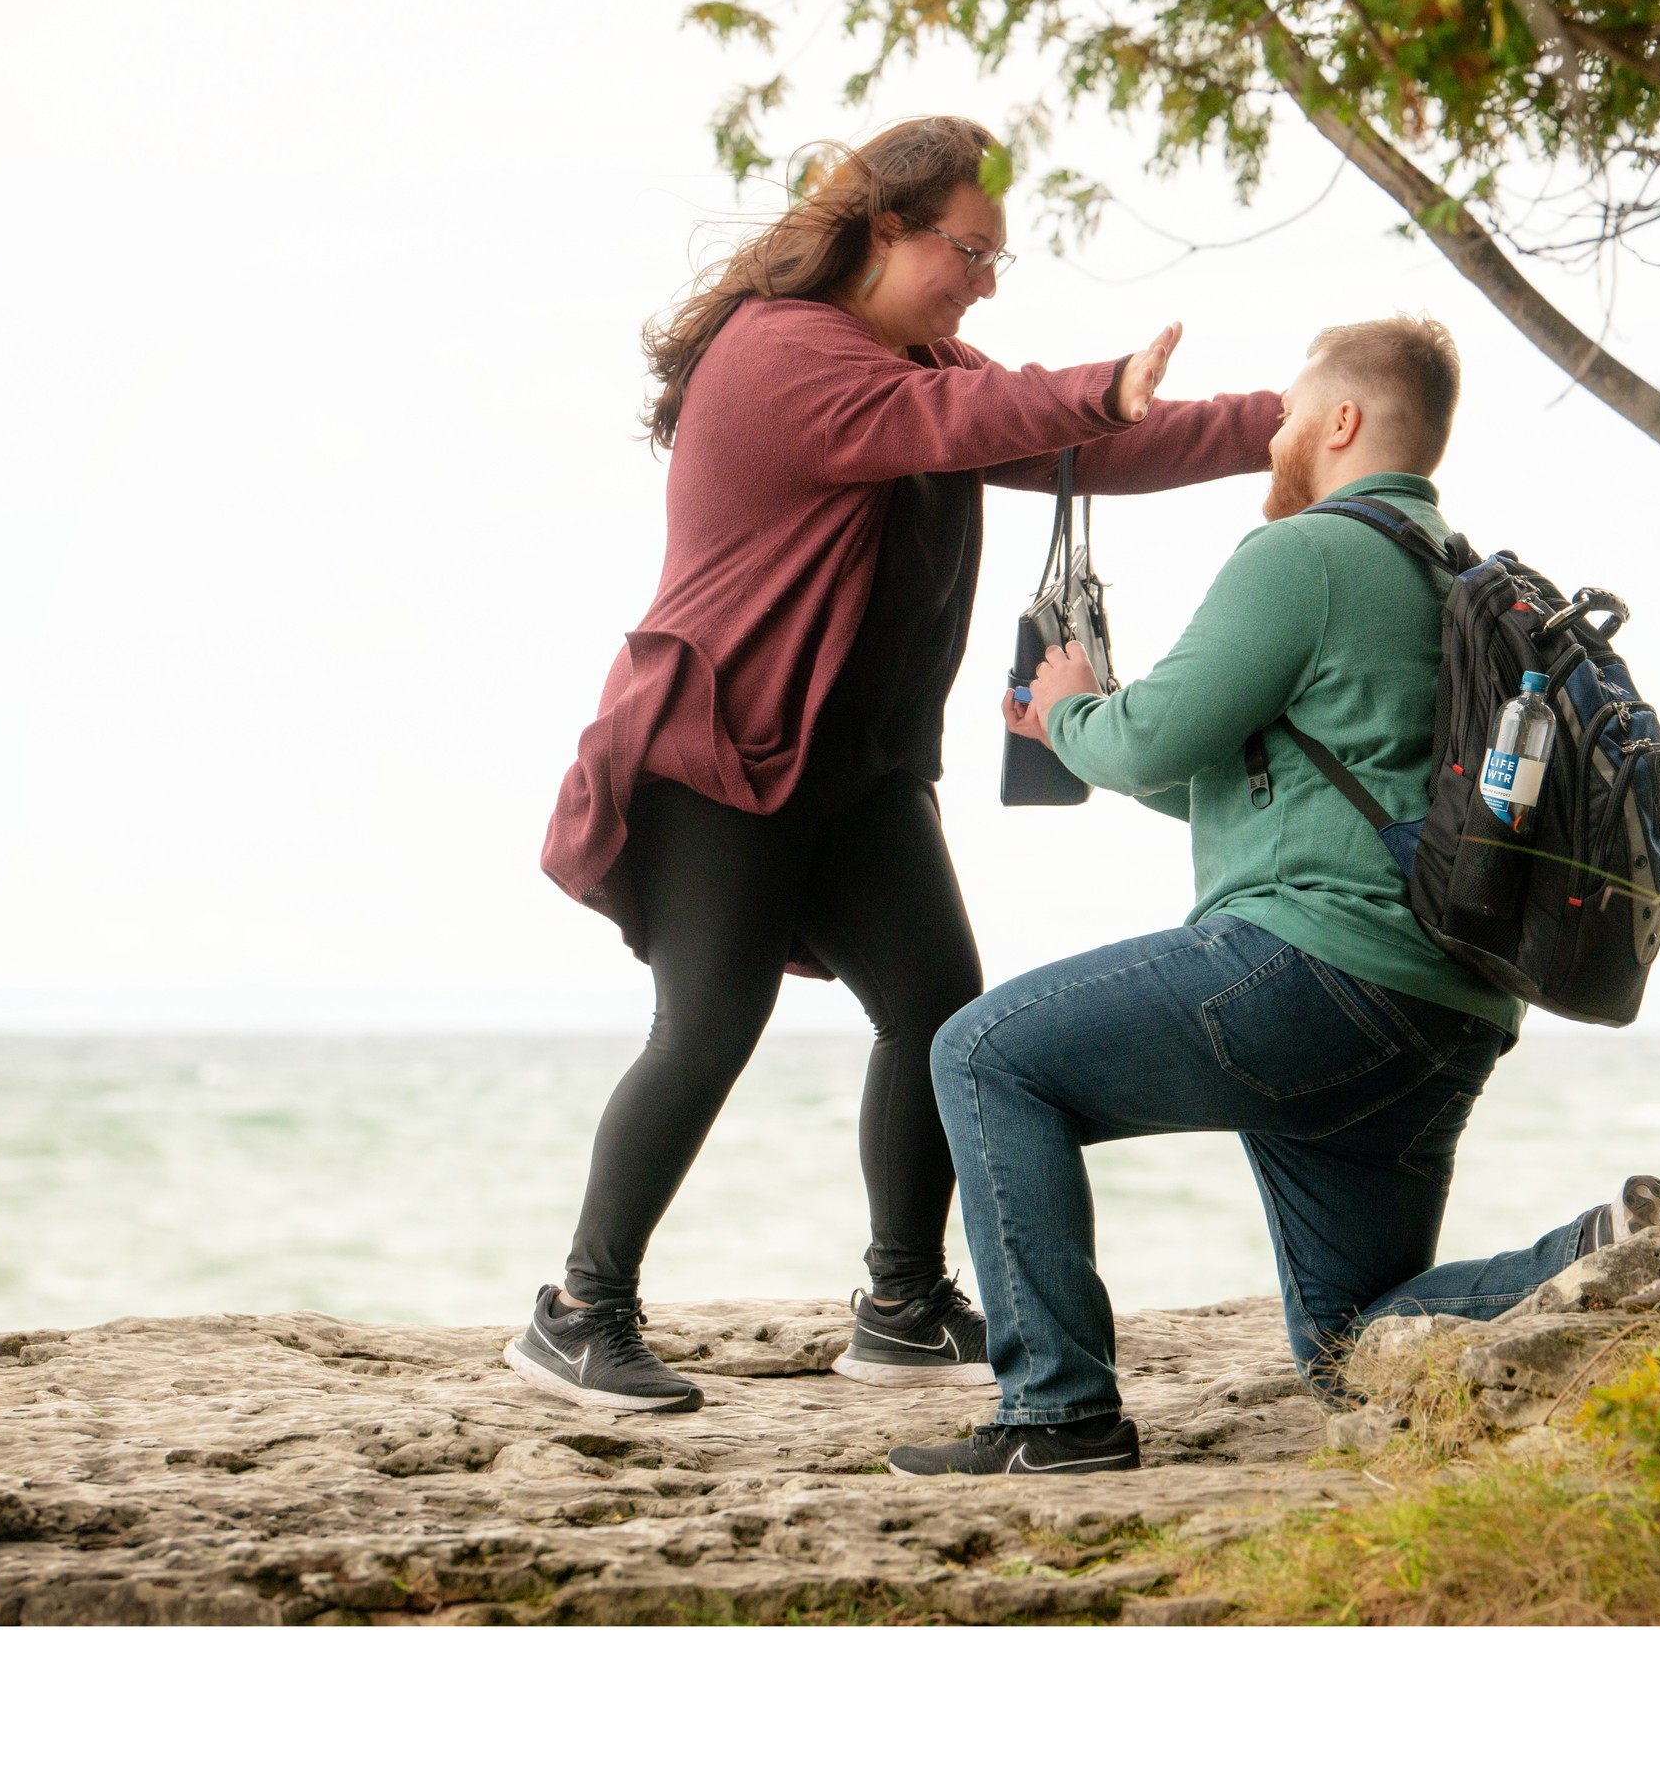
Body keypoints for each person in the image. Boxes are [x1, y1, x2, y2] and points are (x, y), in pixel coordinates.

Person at [509, 117, 1283, 1414]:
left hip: (856, 773)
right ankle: (578, 1312)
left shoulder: (911, 359)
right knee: (710, 1026)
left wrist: (1288, 426)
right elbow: (974, 414)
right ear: (884, 229)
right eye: (967, 251)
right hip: (727, 749)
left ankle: (901, 1305)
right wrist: (1099, 383)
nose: (984, 279)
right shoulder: (783, 355)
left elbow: (1069, 444)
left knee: (938, 1012)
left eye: (997, 259)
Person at [887, 315, 1660, 1476]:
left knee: (982, 1053)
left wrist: (1072, 711)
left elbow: (1151, 740)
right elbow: (1230, 788)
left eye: (1289, 416)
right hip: (1443, 1015)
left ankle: (1054, 1414)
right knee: (1354, 1342)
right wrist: (1096, 733)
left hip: (1317, 974)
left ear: (1344, 423)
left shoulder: (1305, 555)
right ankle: (1598, 1252)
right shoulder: (1452, 576)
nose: (1273, 440)